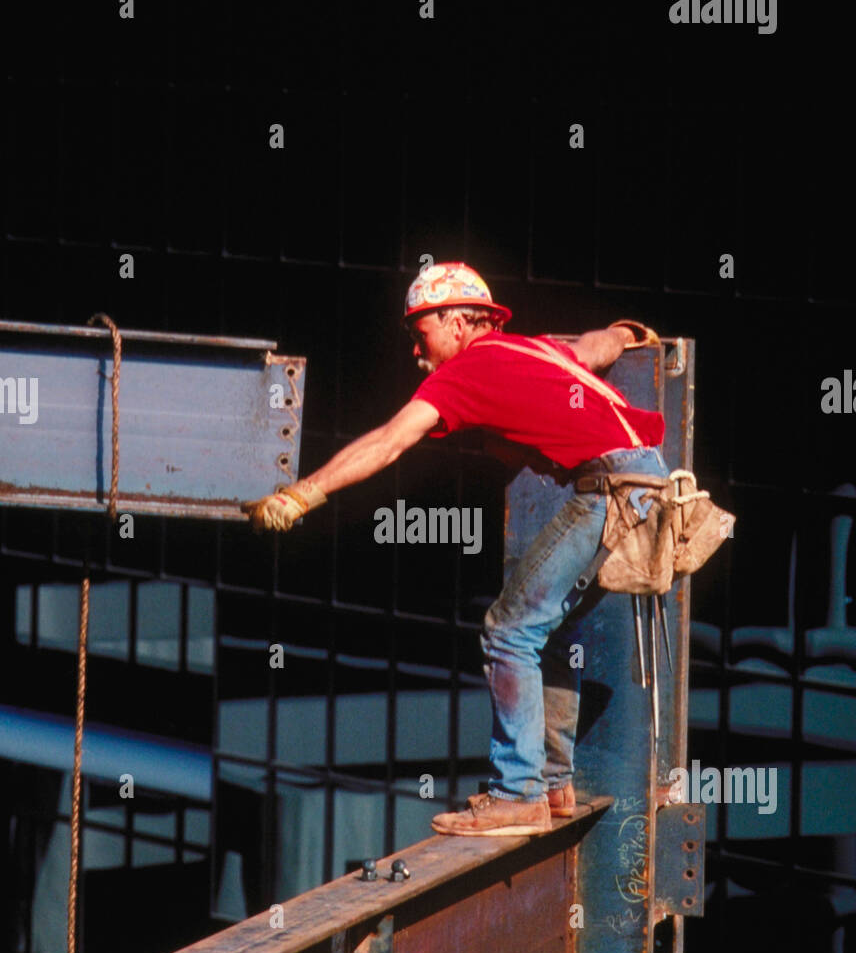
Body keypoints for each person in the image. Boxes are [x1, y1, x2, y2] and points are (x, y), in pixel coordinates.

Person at [242, 262, 666, 837]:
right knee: (547, 630)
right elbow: (594, 348)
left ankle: (519, 793)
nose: (418, 352)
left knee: (507, 631)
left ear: (457, 320)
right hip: (647, 483)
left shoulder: (469, 368)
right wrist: (625, 333)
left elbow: (389, 441)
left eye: (422, 334)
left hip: (609, 488)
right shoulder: (532, 350)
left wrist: (302, 494)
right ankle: (553, 783)